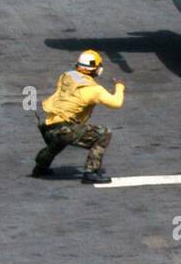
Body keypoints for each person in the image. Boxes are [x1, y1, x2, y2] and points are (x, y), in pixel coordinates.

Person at [32, 49, 125, 184]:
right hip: (64, 129)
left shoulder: (66, 75)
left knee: (60, 141)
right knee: (104, 133)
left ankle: (40, 167)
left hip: (47, 126)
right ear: (97, 69)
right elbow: (117, 103)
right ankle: (91, 173)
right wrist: (120, 86)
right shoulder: (95, 90)